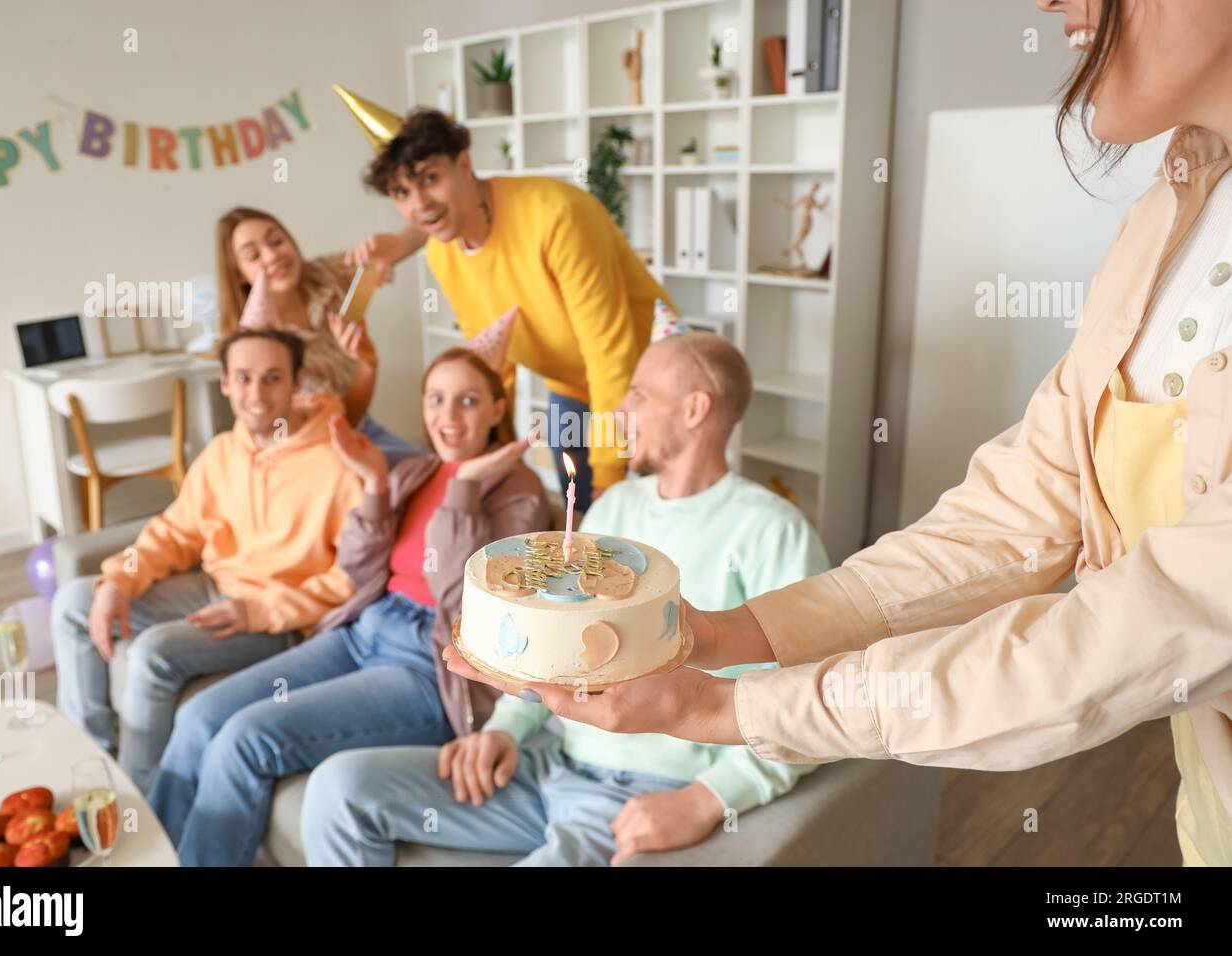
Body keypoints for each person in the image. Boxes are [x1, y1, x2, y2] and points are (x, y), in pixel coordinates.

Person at [448, 0, 1232, 867]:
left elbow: (1114, 641)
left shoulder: (766, 528)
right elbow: (1013, 514)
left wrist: (725, 712)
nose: (1045, 1)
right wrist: (726, 636)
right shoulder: (1170, 214)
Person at [300, 332, 830, 866]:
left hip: (640, 794)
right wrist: (506, 729)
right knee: (340, 788)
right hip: (550, 761)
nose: (620, 409)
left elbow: (802, 703)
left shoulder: (774, 532)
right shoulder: (615, 508)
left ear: (694, 409)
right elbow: (554, 643)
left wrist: (706, 799)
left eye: (639, 395)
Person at [147, 347, 549, 866]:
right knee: (202, 716)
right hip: (364, 629)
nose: (447, 417)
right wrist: (378, 487)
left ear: (498, 410)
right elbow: (359, 572)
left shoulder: (521, 491)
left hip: (427, 664)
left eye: (468, 402)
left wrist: (466, 488)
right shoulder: (419, 471)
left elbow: (462, 597)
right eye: (436, 400)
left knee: (247, 739)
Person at [51, 329, 362, 793]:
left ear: (298, 381)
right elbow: (175, 533)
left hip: (278, 621)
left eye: (273, 378)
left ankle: (136, 804)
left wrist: (258, 610)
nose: (256, 394)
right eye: (244, 378)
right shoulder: (222, 452)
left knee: (154, 653)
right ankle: (92, 766)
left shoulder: (338, 463)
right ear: (225, 383)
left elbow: (353, 579)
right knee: (75, 600)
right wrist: (118, 580)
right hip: (212, 589)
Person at [343, 106, 676, 511]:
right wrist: (491, 455)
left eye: (431, 178)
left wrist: (609, 474)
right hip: (570, 383)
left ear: (464, 163)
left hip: (650, 377)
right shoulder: (442, 254)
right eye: (402, 193)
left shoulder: (555, 216)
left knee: (650, 520)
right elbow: (490, 364)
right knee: (578, 514)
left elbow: (611, 354)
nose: (420, 204)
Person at [217, 205, 417, 465]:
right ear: (239, 274)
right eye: (254, 256)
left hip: (365, 428)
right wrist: (367, 365)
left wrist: (393, 247)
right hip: (319, 450)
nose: (272, 255)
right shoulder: (261, 349)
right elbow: (343, 419)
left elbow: (421, 234)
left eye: (277, 241)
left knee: (439, 472)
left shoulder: (324, 275)